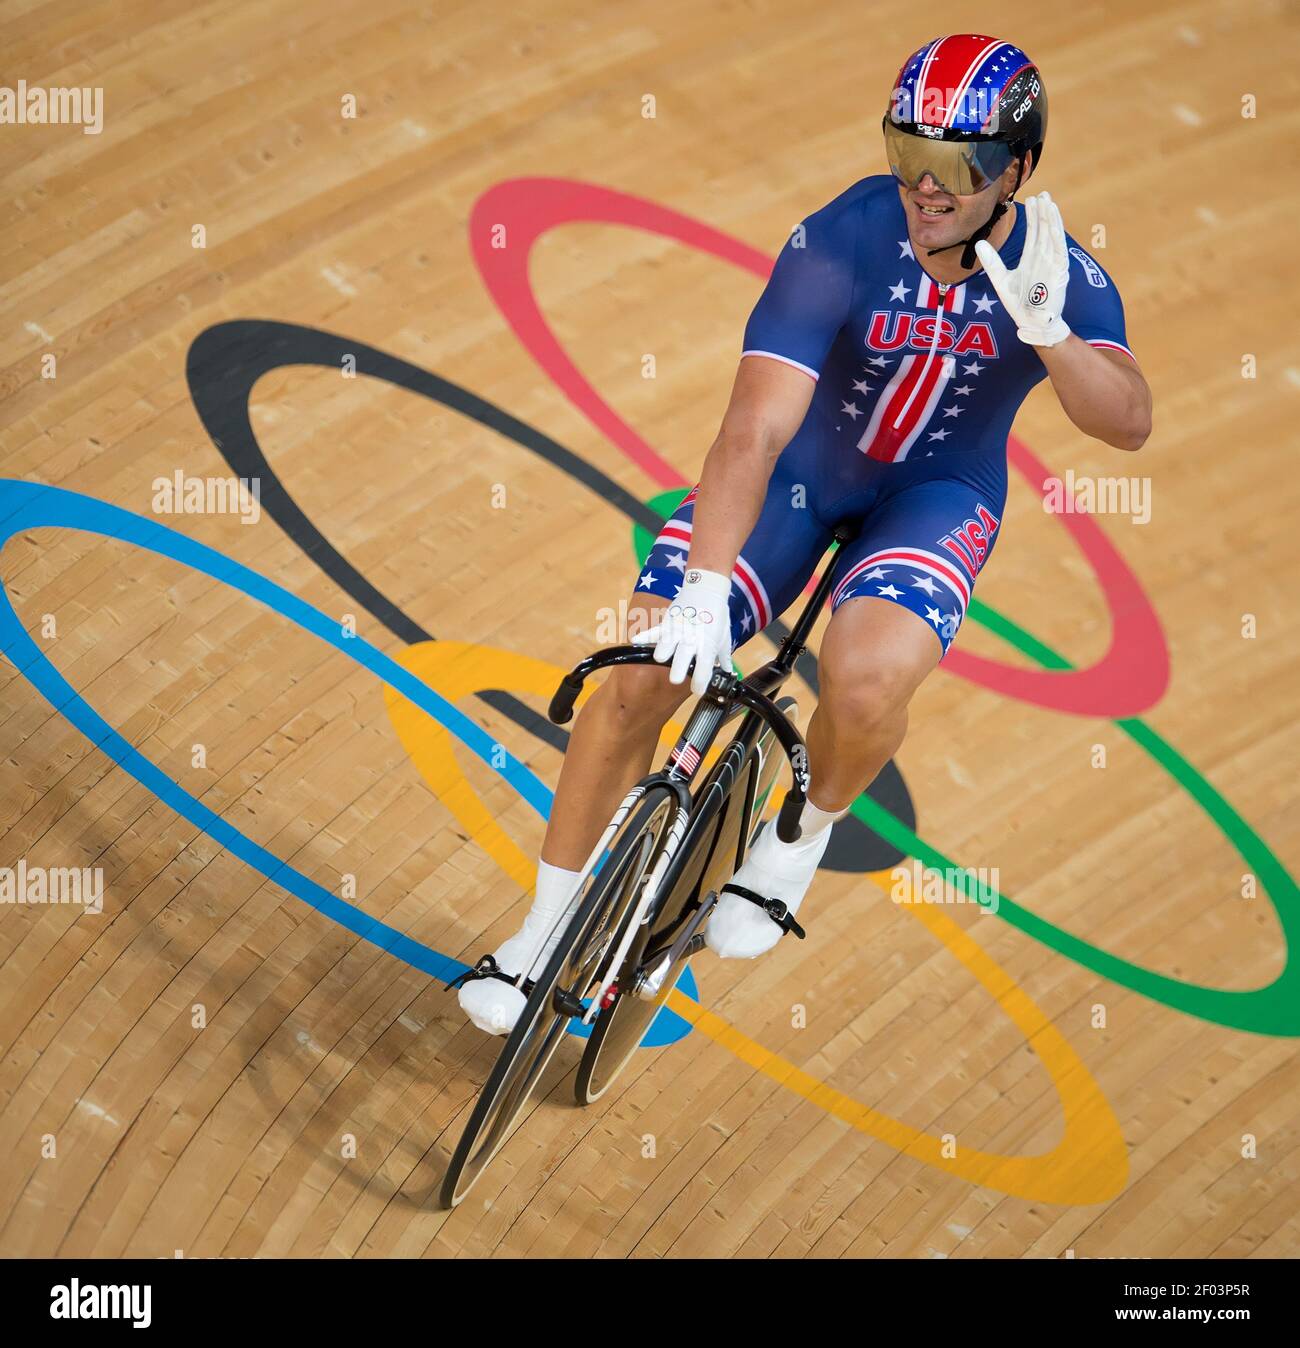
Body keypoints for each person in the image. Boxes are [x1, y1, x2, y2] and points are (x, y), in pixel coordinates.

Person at [456, 32, 1151, 1033]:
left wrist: (1047, 331)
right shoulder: (841, 237)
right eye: (904, 153)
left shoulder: (1064, 277)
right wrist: (700, 592)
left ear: (1019, 170)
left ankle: (799, 830)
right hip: (797, 480)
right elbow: (754, 427)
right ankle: (535, 940)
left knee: (865, 680)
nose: (925, 186)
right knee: (637, 682)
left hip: (936, 496)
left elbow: (1125, 420)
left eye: (955, 166)